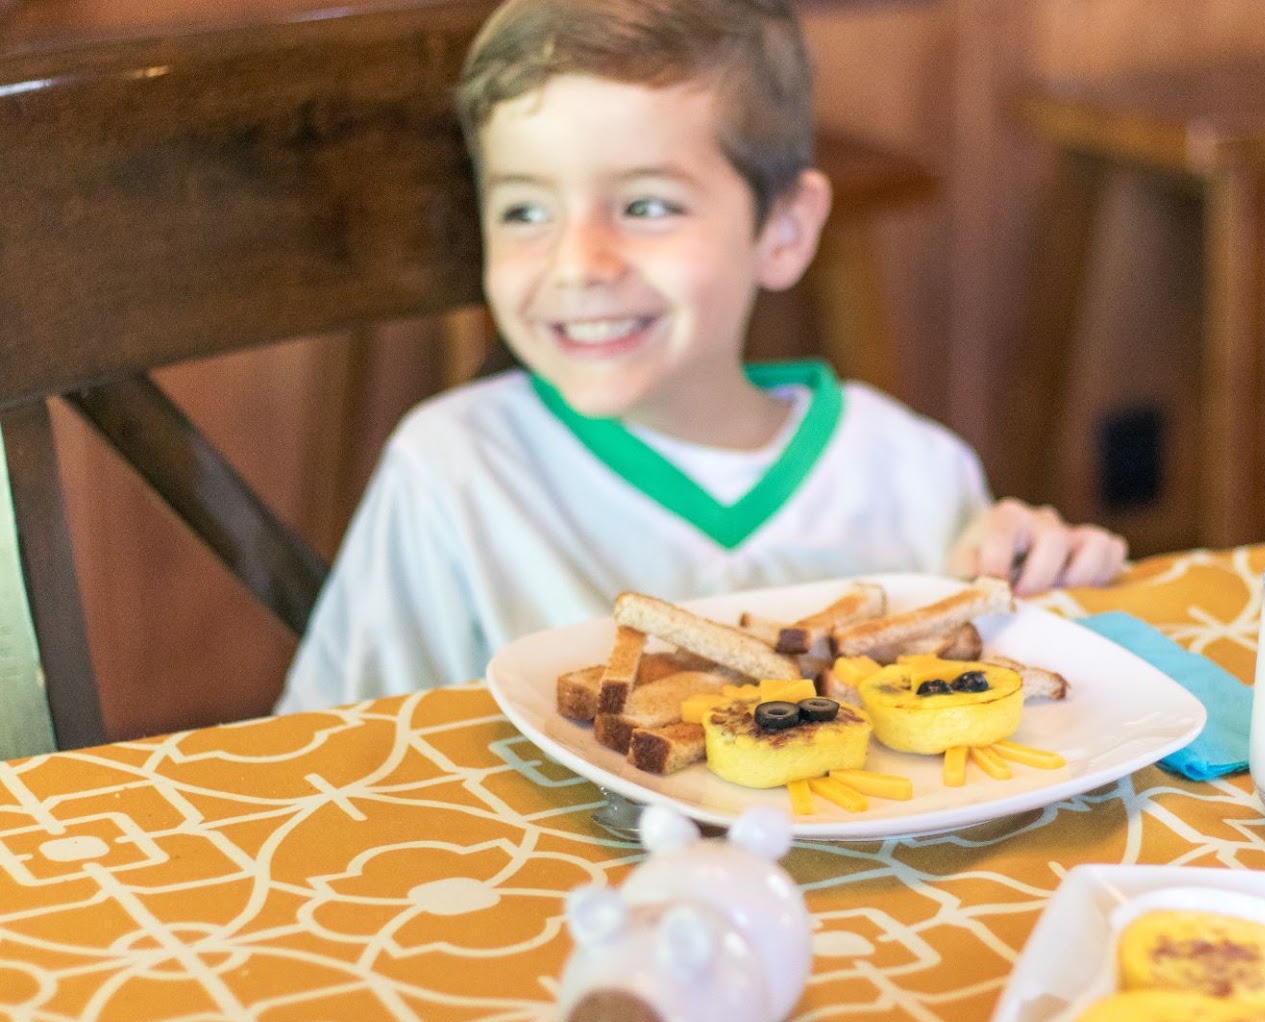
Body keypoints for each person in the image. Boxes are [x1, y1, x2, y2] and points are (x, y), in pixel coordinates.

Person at [274, 0, 1126, 714]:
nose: (578, 264)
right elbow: (343, 755)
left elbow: (995, 697)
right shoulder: (451, 472)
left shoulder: (917, 475)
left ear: (783, 230)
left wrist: (1043, 575)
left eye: (646, 206)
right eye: (526, 211)